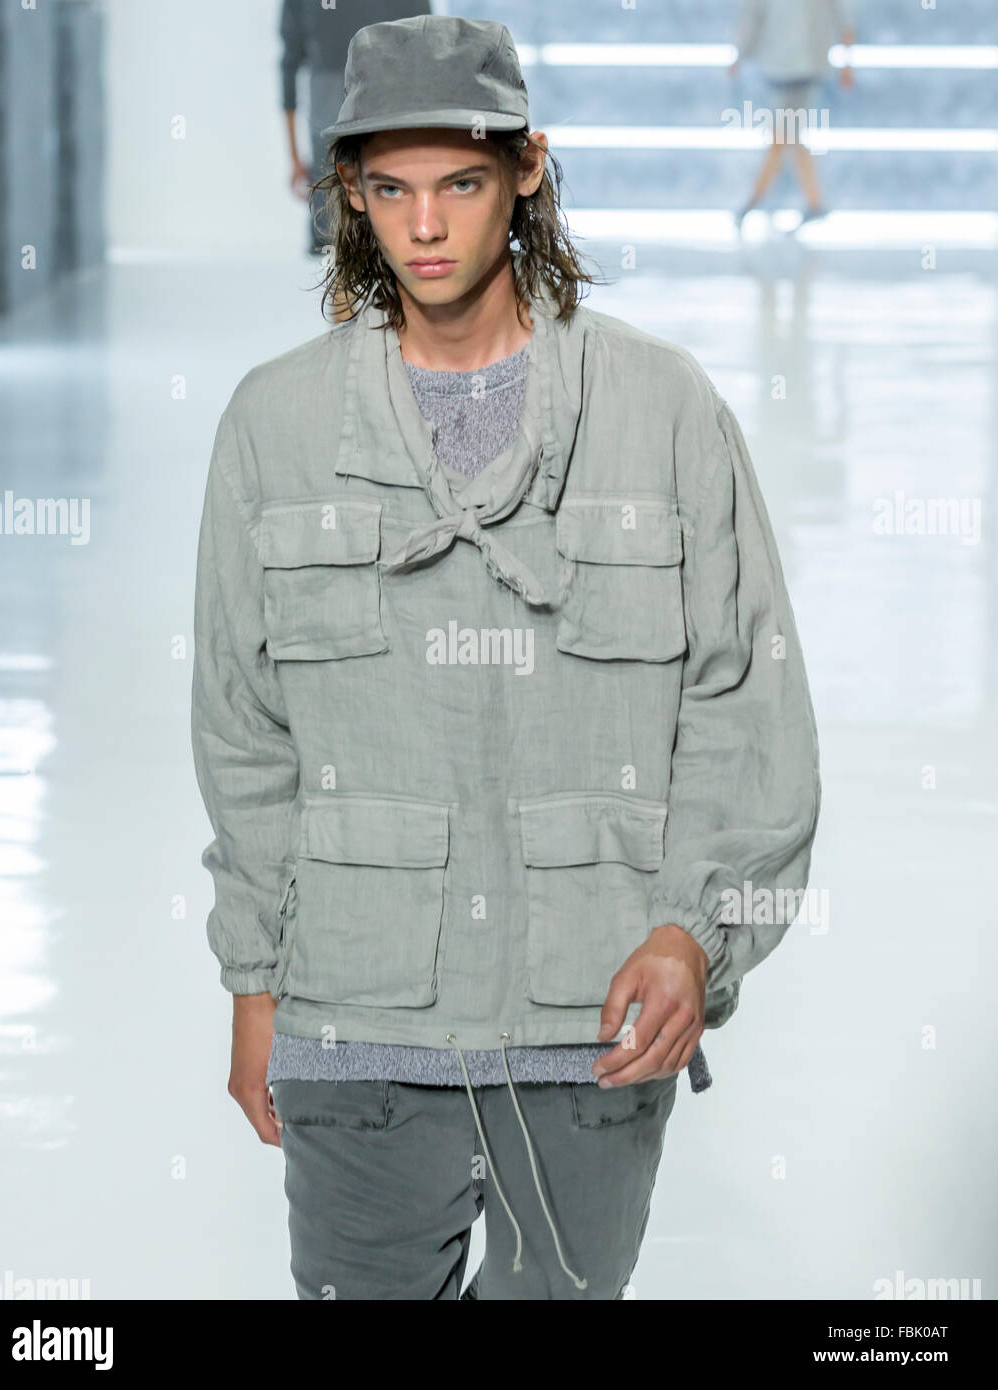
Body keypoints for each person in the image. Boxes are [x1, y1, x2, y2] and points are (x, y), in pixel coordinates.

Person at [192, 14, 822, 1300]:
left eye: (460, 184)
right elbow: (244, 728)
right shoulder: (277, 422)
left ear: (526, 169)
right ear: (353, 196)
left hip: (587, 1017)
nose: (425, 228)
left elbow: (746, 701)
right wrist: (254, 980)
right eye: (391, 190)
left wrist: (695, 935)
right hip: (353, 1014)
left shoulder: (662, 410)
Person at [279, 0, 431, 256]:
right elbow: (428, 50)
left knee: (335, 243)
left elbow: (289, 64)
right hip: (386, 108)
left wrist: (294, 157)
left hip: (360, 113)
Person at [730, 0, 857, 230]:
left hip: (805, 65)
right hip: (781, 64)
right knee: (789, 137)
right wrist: (740, 54)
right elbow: (753, 14)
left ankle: (754, 202)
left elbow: (843, 15)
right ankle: (813, 202)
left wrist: (847, 62)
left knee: (783, 137)